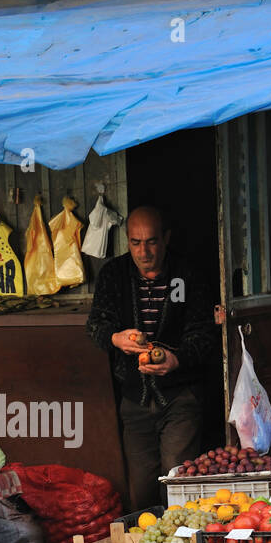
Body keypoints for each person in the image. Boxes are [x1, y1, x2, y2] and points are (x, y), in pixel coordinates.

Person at [87, 206, 218, 510]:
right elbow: (96, 325)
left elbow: (203, 334)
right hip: (134, 399)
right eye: (135, 242)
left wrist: (176, 359)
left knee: (176, 480)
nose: (144, 251)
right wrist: (115, 338)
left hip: (181, 397)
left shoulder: (188, 274)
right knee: (142, 488)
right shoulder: (114, 275)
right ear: (127, 242)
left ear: (166, 238)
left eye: (152, 241)